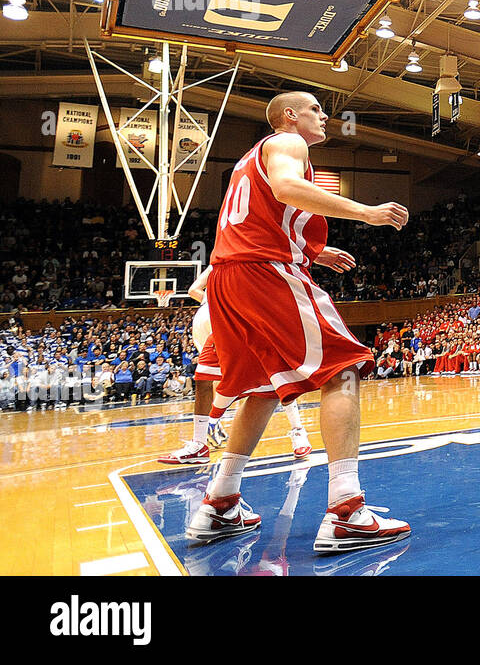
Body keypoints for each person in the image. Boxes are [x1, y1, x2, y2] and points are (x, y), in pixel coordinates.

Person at [186, 90, 411, 555]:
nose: (324, 116)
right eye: (314, 109)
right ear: (289, 116)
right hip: (264, 271)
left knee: (265, 387)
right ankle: (347, 510)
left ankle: (220, 500)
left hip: (228, 277)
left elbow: (265, 212)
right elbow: (287, 188)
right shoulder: (288, 144)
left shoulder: (249, 160)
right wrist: (365, 213)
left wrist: (312, 250)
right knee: (344, 370)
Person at [158, 267, 312, 465]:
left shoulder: (247, 261)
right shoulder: (220, 262)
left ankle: (297, 430)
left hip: (235, 320)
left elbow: (194, 290)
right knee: (207, 380)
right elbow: (193, 290)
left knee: (272, 376)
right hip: (215, 323)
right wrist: (212, 299)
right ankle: (203, 436)